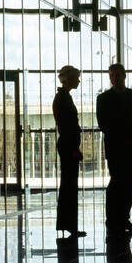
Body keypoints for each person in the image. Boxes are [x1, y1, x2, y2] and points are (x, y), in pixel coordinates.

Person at [95, 62, 132, 235]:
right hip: (117, 148)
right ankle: (113, 220)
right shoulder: (103, 98)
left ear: (124, 76)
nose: (114, 79)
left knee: (129, 184)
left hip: (130, 147)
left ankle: (123, 219)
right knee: (116, 183)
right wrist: (129, 138)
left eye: (117, 75)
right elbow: (103, 124)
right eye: (111, 76)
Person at [51, 65, 86, 241]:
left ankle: (68, 225)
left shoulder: (62, 97)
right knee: (69, 186)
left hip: (67, 144)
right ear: (68, 79)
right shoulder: (63, 98)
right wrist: (74, 148)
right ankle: (69, 225)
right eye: (76, 77)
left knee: (68, 185)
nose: (79, 81)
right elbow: (66, 126)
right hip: (68, 145)